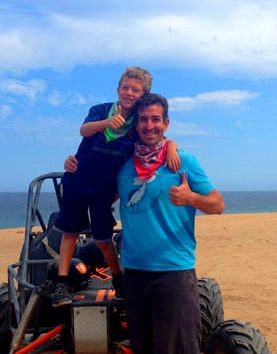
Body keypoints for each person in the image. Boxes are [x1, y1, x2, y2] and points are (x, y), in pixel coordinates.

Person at [117, 92, 224, 354]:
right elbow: (93, 178)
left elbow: (217, 203)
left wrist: (191, 197)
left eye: (156, 119)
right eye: (143, 119)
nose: (149, 125)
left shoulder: (183, 161)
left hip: (174, 271)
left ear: (166, 123)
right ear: (136, 124)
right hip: (135, 271)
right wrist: (72, 164)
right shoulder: (123, 165)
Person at [49, 67, 179, 306]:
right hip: (78, 180)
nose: (129, 93)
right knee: (70, 232)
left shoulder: (137, 124)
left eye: (135, 90)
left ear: (143, 95)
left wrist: (171, 148)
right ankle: (62, 282)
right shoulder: (100, 110)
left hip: (104, 189)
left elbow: (159, 139)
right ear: (118, 89)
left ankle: (118, 278)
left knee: (103, 237)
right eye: (125, 88)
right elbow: (84, 130)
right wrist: (108, 122)